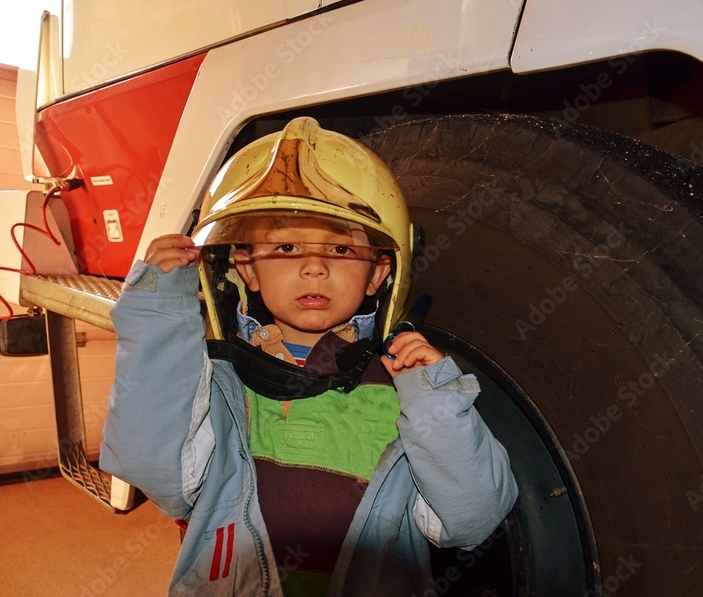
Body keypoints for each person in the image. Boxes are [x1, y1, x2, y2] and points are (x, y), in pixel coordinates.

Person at [100, 117, 518, 596]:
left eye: (341, 247)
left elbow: (472, 518)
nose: (315, 266)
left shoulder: (405, 388)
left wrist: (437, 402)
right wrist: (156, 320)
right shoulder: (213, 382)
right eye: (287, 246)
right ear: (247, 268)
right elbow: (157, 472)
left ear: (380, 274)